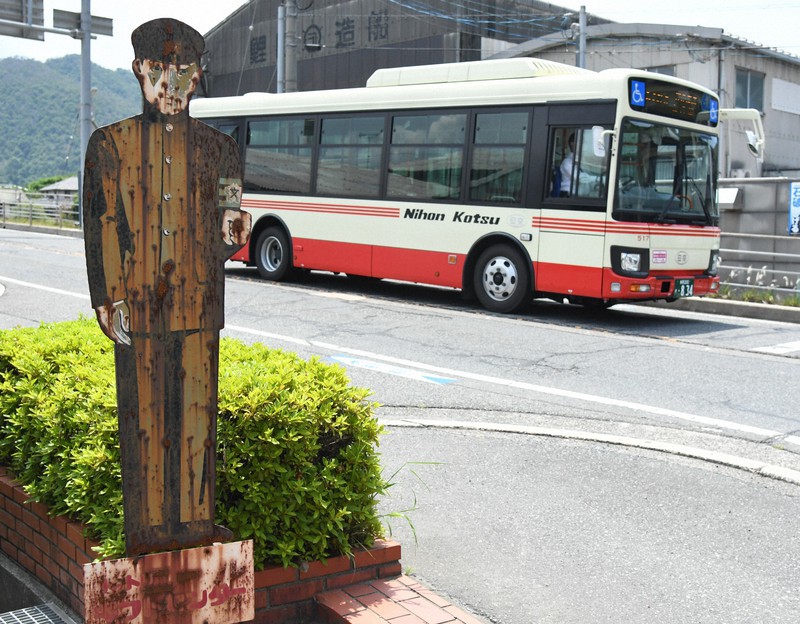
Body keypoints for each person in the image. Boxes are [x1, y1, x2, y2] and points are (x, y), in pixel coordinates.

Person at [83, 18, 251, 556]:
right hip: (140, 302)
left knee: (199, 420)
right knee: (148, 423)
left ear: (198, 77)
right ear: (139, 71)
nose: (169, 84)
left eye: (182, 72)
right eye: (158, 71)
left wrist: (235, 231)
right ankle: (151, 534)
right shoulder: (110, 144)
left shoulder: (220, 150)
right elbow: (102, 222)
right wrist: (107, 297)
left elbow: (227, 223)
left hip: (201, 301)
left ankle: (198, 528)